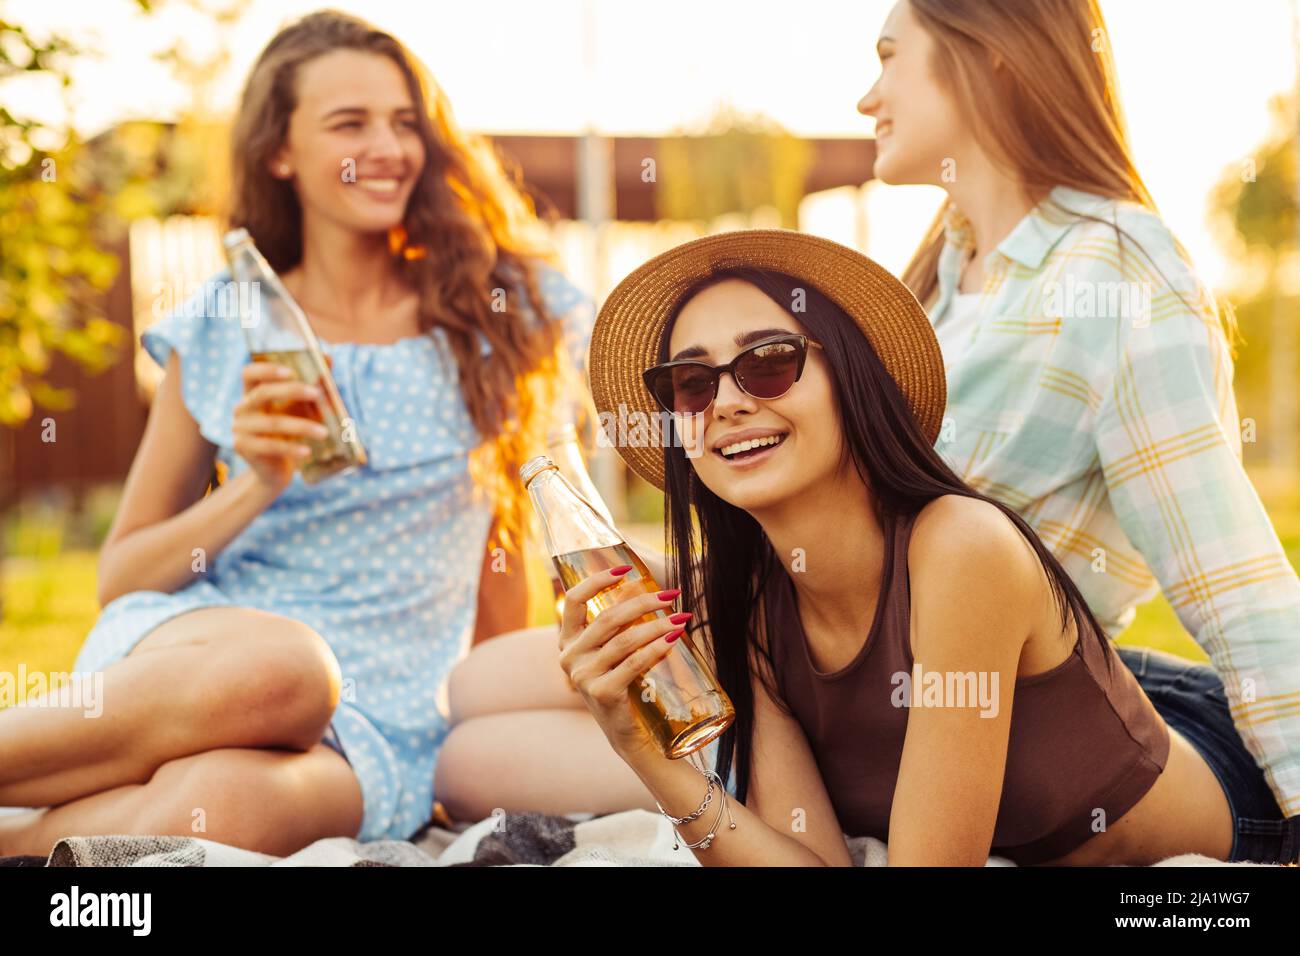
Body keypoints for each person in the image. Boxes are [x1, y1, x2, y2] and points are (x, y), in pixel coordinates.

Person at [0, 9, 593, 857]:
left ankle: (22, 843)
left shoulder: (497, 320)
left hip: (380, 718)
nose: (388, 147)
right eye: (350, 123)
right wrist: (259, 481)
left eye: (403, 122)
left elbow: (499, 551)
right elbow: (124, 572)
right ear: (281, 153)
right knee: (288, 673)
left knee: (223, 809)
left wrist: (491, 713)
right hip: (209, 650)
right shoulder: (227, 320)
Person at [505, 228, 1291, 865]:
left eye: (770, 362)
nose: (731, 401)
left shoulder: (960, 548)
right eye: (692, 383)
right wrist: (645, 753)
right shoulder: (751, 606)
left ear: (851, 377)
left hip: (1236, 796)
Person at [855, 0, 1300, 854]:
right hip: (907, 714)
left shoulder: (1115, 267)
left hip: (1072, 733)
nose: (866, 98)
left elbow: (1229, 575)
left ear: (988, 55)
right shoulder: (934, 287)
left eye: (886, 57)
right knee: (524, 686)